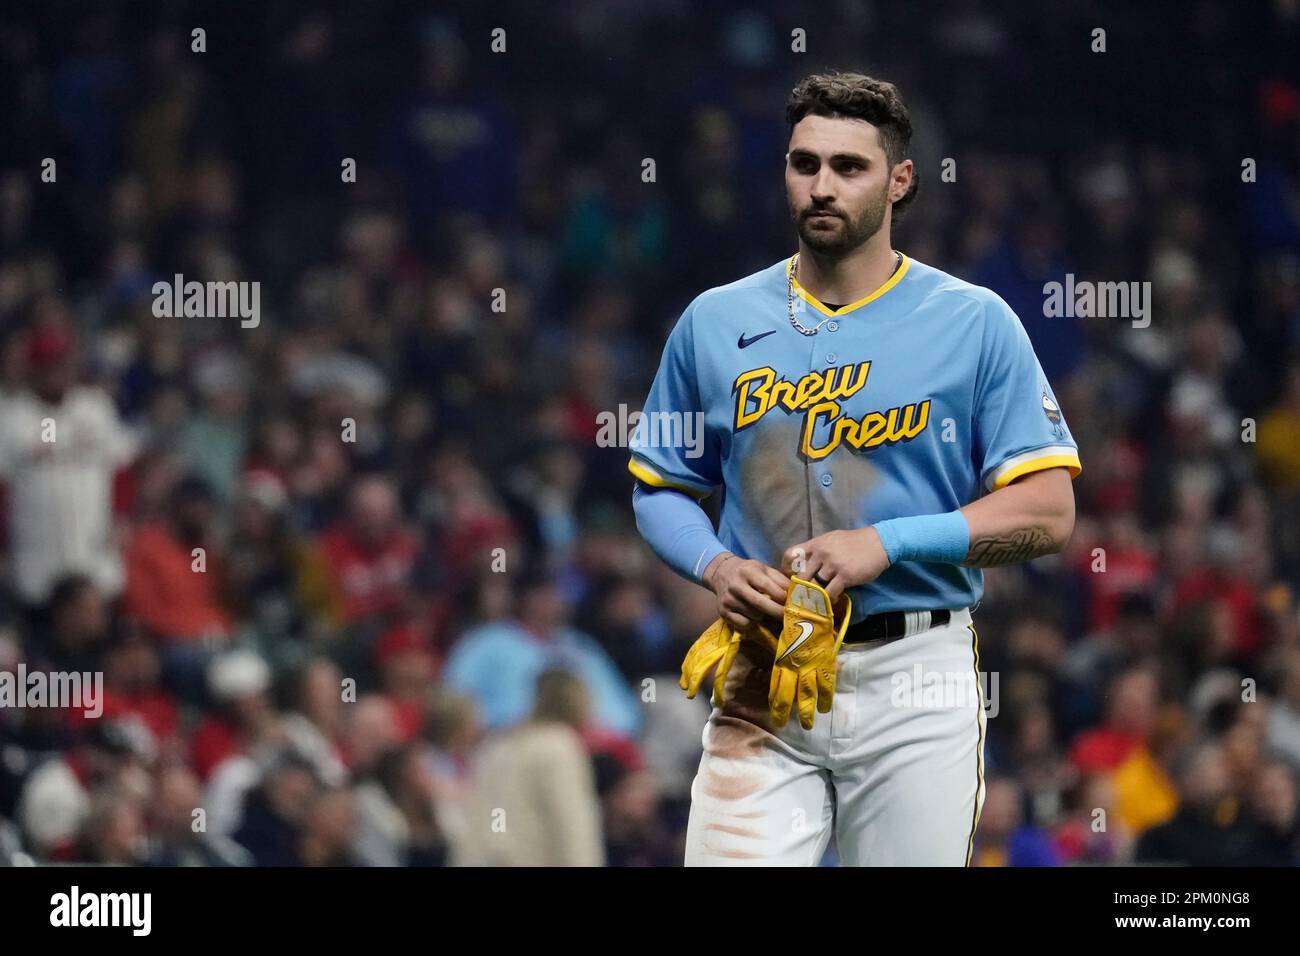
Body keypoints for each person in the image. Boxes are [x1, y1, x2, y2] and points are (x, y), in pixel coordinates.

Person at [630, 72, 1080, 866]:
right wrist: (717, 564)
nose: (822, 186)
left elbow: (1048, 510)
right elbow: (659, 486)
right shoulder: (714, 320)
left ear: (899, 181)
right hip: (764, 669)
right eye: (805, 165)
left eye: (849, 166)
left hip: (916, 672)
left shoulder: (975, 323)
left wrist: (890, 542)